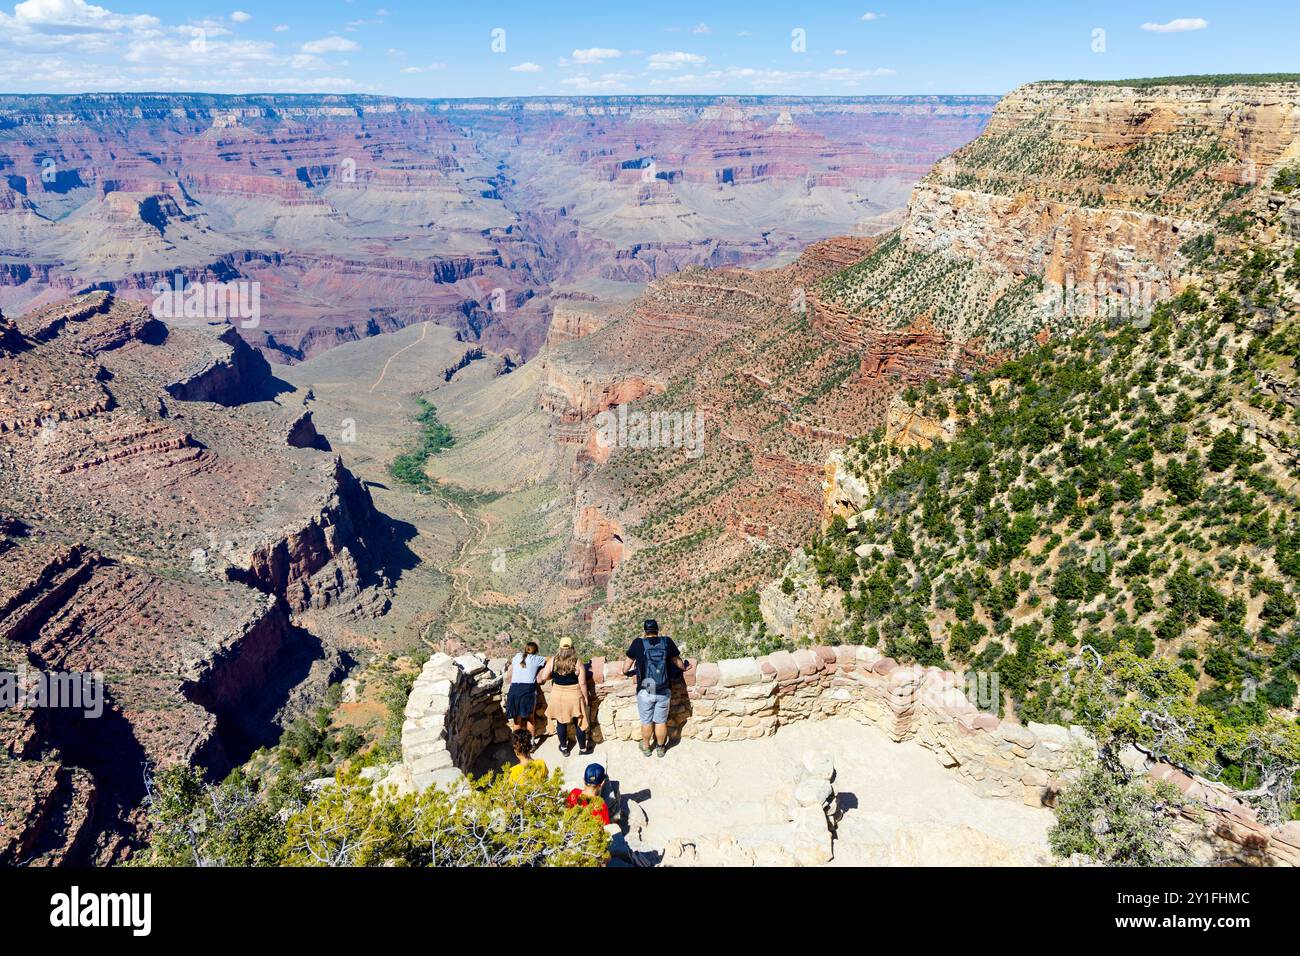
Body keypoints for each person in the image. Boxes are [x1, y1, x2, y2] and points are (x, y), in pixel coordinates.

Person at [624, 619, 686, 758]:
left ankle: (646, 747)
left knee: (647, 721)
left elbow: (627, 663)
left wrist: (624, 671)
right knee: (660, 721)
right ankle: (660, 748)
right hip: (663, 687)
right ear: (657, 630)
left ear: (645, 631)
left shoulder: (638, 643)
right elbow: (677, 661)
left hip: (647, 686)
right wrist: (685, 667)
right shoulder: (666, 642)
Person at [538, 637, 592, 757]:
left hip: (558, 695)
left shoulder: (553, 660)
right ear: (572, 648)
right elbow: (582, 683)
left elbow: (544, 676)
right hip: (574, 695)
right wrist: (585, 697)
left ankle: (564, 749)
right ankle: (583, 749)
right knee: (579, 721)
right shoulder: (577, 662)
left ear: (560, 648)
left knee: (560, 722)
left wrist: (555, 676)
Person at [504, 640, 546, 741]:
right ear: (536, 651)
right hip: (527, 690)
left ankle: (516, 744)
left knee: (517, 721)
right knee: (530, 718)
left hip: (514, 690)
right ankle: (530, 743)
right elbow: (550, 659)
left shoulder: (517, 656)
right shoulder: (536, 658)